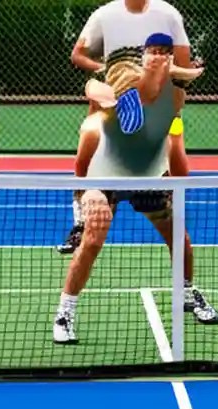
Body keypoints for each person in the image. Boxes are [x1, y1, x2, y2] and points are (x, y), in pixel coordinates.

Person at [52, 33, 218, 345]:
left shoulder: (170, 107)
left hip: (146, 178)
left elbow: (173, 151)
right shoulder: (110, 96)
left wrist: (170, 181)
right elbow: (83, 157)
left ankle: (185, 292)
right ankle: (64, 313)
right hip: (106, 177)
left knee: (179, 237)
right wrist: (82, 200)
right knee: (91, 243)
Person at [58, 0, 197, 255]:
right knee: (95, 220)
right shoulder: (104, 15)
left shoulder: (168, 14)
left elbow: (183, 64)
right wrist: (106, 71)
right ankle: (80, 219)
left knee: (171, 214)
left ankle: (186, 289)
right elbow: (78, 55)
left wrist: (175, 78)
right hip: (114, 105)